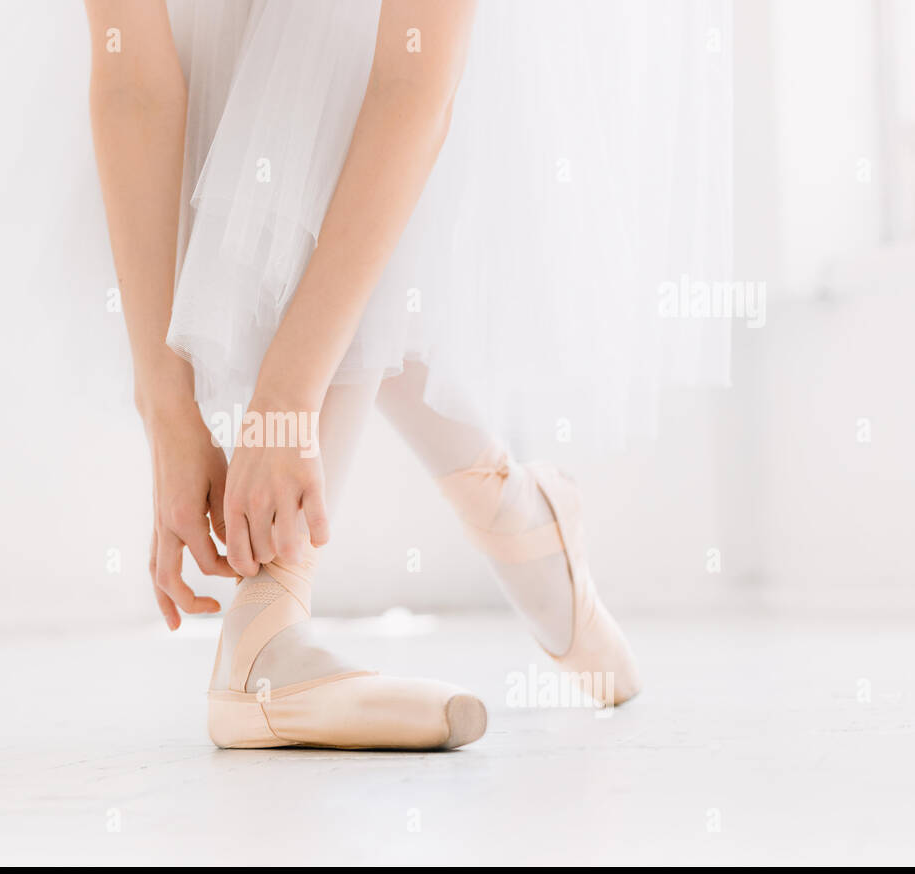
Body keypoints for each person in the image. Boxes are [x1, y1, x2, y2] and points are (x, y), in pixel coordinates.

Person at [83, 0, 731, 749]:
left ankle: (267, 624)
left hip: (403, 57)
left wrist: (285, 405)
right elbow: (134, 80)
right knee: (269, 106)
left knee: (332, 58)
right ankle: (515, 517)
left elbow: (410, 84)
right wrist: (169, 414)